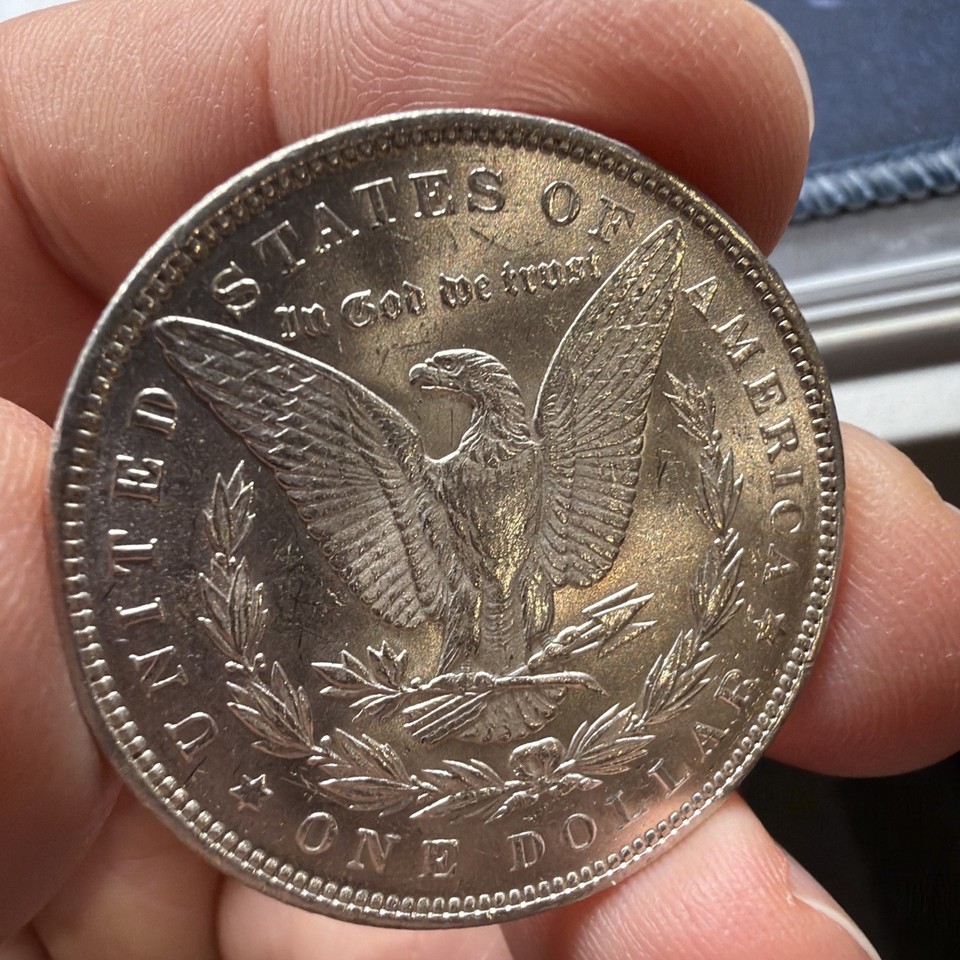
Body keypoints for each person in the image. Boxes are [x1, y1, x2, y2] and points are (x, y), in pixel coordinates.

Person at [1, 1, 957, 957]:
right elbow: (311, 423)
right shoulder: (405, 466)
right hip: (456, 646)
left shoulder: (551, 437)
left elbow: (605, 365)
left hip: (531, 628)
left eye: (459, 379)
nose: (441, 385)